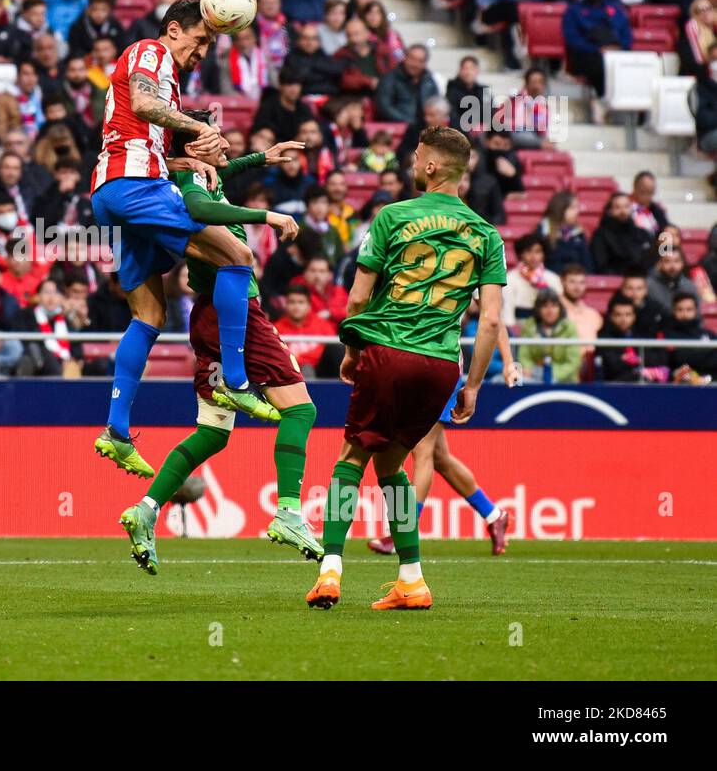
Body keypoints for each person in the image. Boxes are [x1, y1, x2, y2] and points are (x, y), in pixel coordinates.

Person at [307, 125, 506, 612]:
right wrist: (473, 386)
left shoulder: (393, 216)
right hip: (441, 364)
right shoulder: (486, 234)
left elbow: (356, 297)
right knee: (392, 464)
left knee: (351, 458)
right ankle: (411, 581)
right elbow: (492, 320)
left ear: (433, 166)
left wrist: (353, 353)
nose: (413, 164)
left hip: (388, 351)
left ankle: (329, 571)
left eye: (418, 157)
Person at [89, 0, 283, 480]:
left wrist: (185, 160)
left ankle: (115, 428)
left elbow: (138, 137)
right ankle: (236, 379)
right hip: (135, 187)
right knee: (238, 255)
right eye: (199, 41)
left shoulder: (164, 76)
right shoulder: (151, 52)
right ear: (174, 30)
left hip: (117, 187)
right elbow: (143, 104)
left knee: (149, 315)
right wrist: (201, 127)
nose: (201, 53)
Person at [119, 127, 317, 573]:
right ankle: (288, 511)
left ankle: (147, 510)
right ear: (192, 149)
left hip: (209, 316)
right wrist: (266, 215)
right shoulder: (191, 182)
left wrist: (263, 157)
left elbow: (223, 172)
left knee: (213, 431)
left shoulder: (207, 172)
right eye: (216, 138)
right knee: (301, 410)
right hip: (237, 313)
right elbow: (197, 205)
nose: (226, 145)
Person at [517, 288, 582, 383]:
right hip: (534, 378)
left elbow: (573, 362)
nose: (550, 310)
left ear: (560, 308)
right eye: (545, 306)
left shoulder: (569, 327)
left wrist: (551, 375)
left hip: (564, 381)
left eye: (554, 306)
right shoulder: (529, 325)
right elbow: (524, 356)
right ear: (538, 309)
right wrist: (529, 370)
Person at [591, 192, 654, 275]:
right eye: (618, 207)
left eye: (626, 206)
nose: (623, 211)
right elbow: (602, 266)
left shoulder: (642, 233)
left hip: (644, 282)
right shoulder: (600, 235)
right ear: (610, 211)